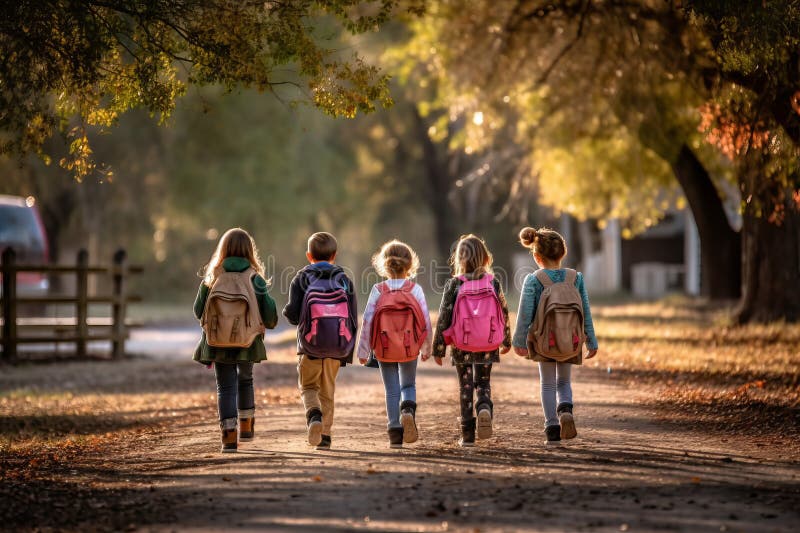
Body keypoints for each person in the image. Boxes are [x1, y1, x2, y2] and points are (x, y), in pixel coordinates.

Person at [193, 228, 278, 453]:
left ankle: (228, 438)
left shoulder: (213, 277)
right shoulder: (255, 278)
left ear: (222, 250)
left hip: (217, 341)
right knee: (246, 379)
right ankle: (246, 427)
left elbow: (198, 311)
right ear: (250, 251)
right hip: (247, 341)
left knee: (225, 387)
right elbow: (269, 315)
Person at [512, 226, 599, 446]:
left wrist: (519, 341)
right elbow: (585, 311)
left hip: (544, 341)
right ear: (563, 253)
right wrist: (591, 340)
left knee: (548, 384)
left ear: (537, 257)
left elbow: (525, 313)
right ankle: (566, 409)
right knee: (564, 381)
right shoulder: (575, 278)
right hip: (571, 340)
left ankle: (552, 427)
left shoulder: (534, 280)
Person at [432, 234, 512, 447]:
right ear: (485, 259)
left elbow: (444, 317)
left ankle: (467, 435)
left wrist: (438, 349)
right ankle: (484, 405)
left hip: (462, 344)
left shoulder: (454, 284)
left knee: (465, 386)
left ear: (459, 259)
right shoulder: (493, 282)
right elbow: (503, 312)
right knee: (483, 382)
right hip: (488, 342)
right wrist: (506, 340)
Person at [283, 232, 357, 450]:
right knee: (328, 390)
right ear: (334, 255)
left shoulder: (301, 279)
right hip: (336, 346)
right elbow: (353, 318)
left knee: (308, 386)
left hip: (309, 346)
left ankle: (313, 415)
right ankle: (325, 436)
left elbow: (293, 314)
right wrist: (347, 350)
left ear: (309, 255)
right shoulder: (344, 280)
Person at [356, 240, 433, 448]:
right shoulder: (415, 290)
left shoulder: (378, 290)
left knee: (391, 390)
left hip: (384, 347)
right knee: (408, 385)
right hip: (410, 346)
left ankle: (394, 433)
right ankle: (407, 409)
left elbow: (368, 321)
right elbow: (425, 320)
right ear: (410, 264)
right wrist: (427, 346)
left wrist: (363, 351)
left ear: (384, 264)